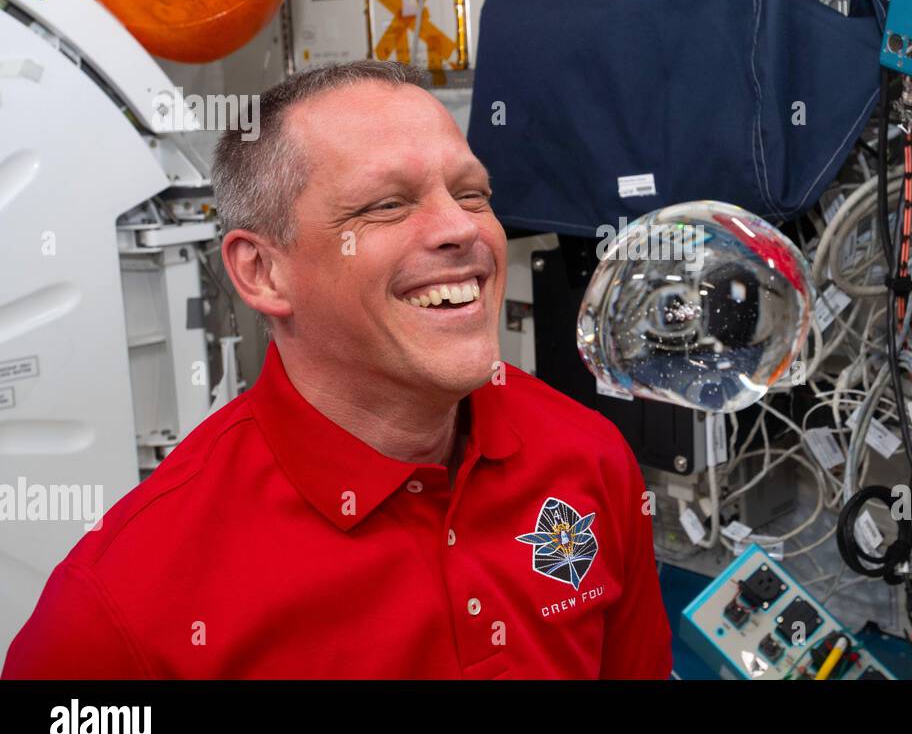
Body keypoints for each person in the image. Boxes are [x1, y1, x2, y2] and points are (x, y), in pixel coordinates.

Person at [3, 61, 673, 679]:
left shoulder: (587, 456)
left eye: (471, 194)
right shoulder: (114, 614)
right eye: (386, 204)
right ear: (263, 272)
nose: (462, 230)